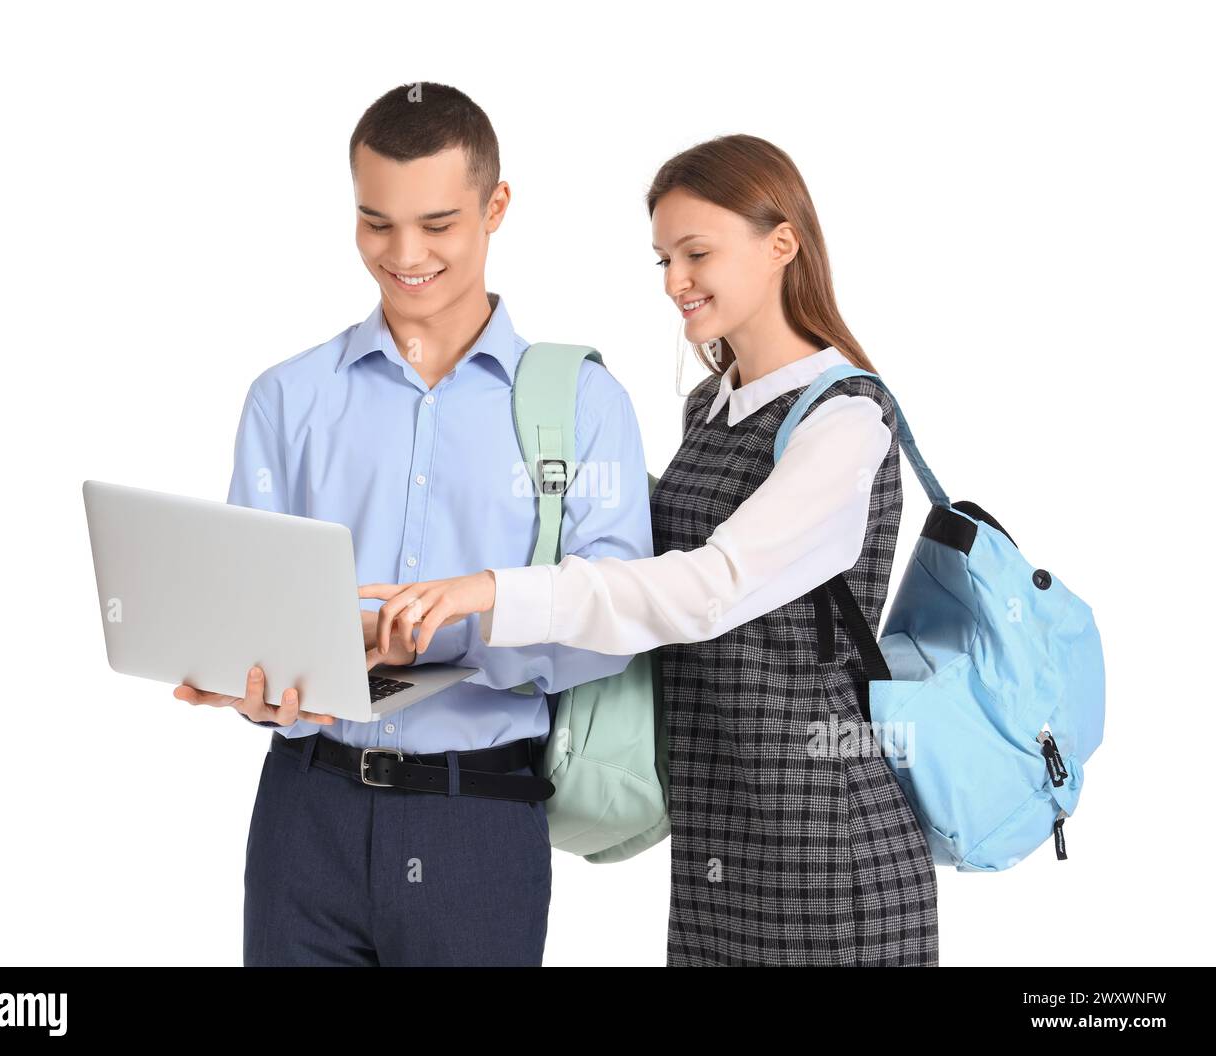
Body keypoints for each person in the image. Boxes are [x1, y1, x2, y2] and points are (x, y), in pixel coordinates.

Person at [362, 134, 940, 967]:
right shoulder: (713, 403)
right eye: (664, 257)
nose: (675, 281)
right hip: (716, 827)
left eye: (697, 253)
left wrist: (493, 590)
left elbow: (705, 590)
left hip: (822, 837)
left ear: (783, 244)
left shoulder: (845, 422)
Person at [173, 82, 653, 966]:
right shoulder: (288, 398)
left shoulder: (581, 405)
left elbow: (616, 619)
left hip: (477, 821)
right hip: (302, 820)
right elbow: (256, 605)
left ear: (495, 206)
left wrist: (451, 629)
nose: (404, 254)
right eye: (375, 223)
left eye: (437, 224)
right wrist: (253, 688)